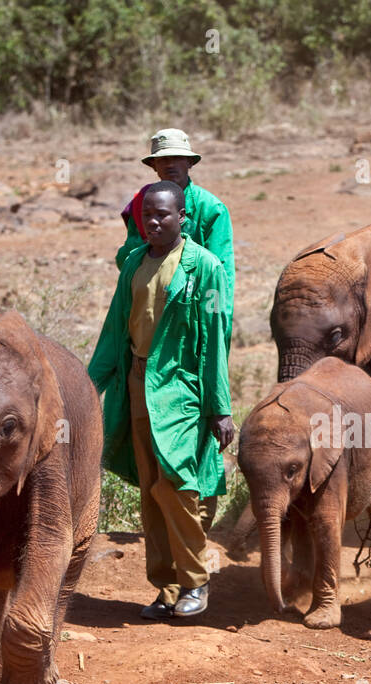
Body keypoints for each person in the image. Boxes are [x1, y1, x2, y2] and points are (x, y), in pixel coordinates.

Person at [89, 180, 234, 619]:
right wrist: (87, 386)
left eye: (163, 215)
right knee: (151, 491)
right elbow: (115, 328)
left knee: (176, 483)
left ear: (181, 218)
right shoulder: (134, 261)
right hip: (137, 381)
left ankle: (196, 581)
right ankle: (166, 587)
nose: (153, 222)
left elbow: (216, 339)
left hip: (181, 386)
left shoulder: (205, 268)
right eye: (146, 215)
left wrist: (220, 406)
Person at [118, 128, 235, 342]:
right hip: (148, 306)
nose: (170, 164)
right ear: (154, 165)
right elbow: (127, 259)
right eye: (163, 159)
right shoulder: (143, 204)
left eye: (177, 158)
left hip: (191, 311)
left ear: (190, 163)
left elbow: (221, 274)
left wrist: (216, 326)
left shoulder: (211, 209)